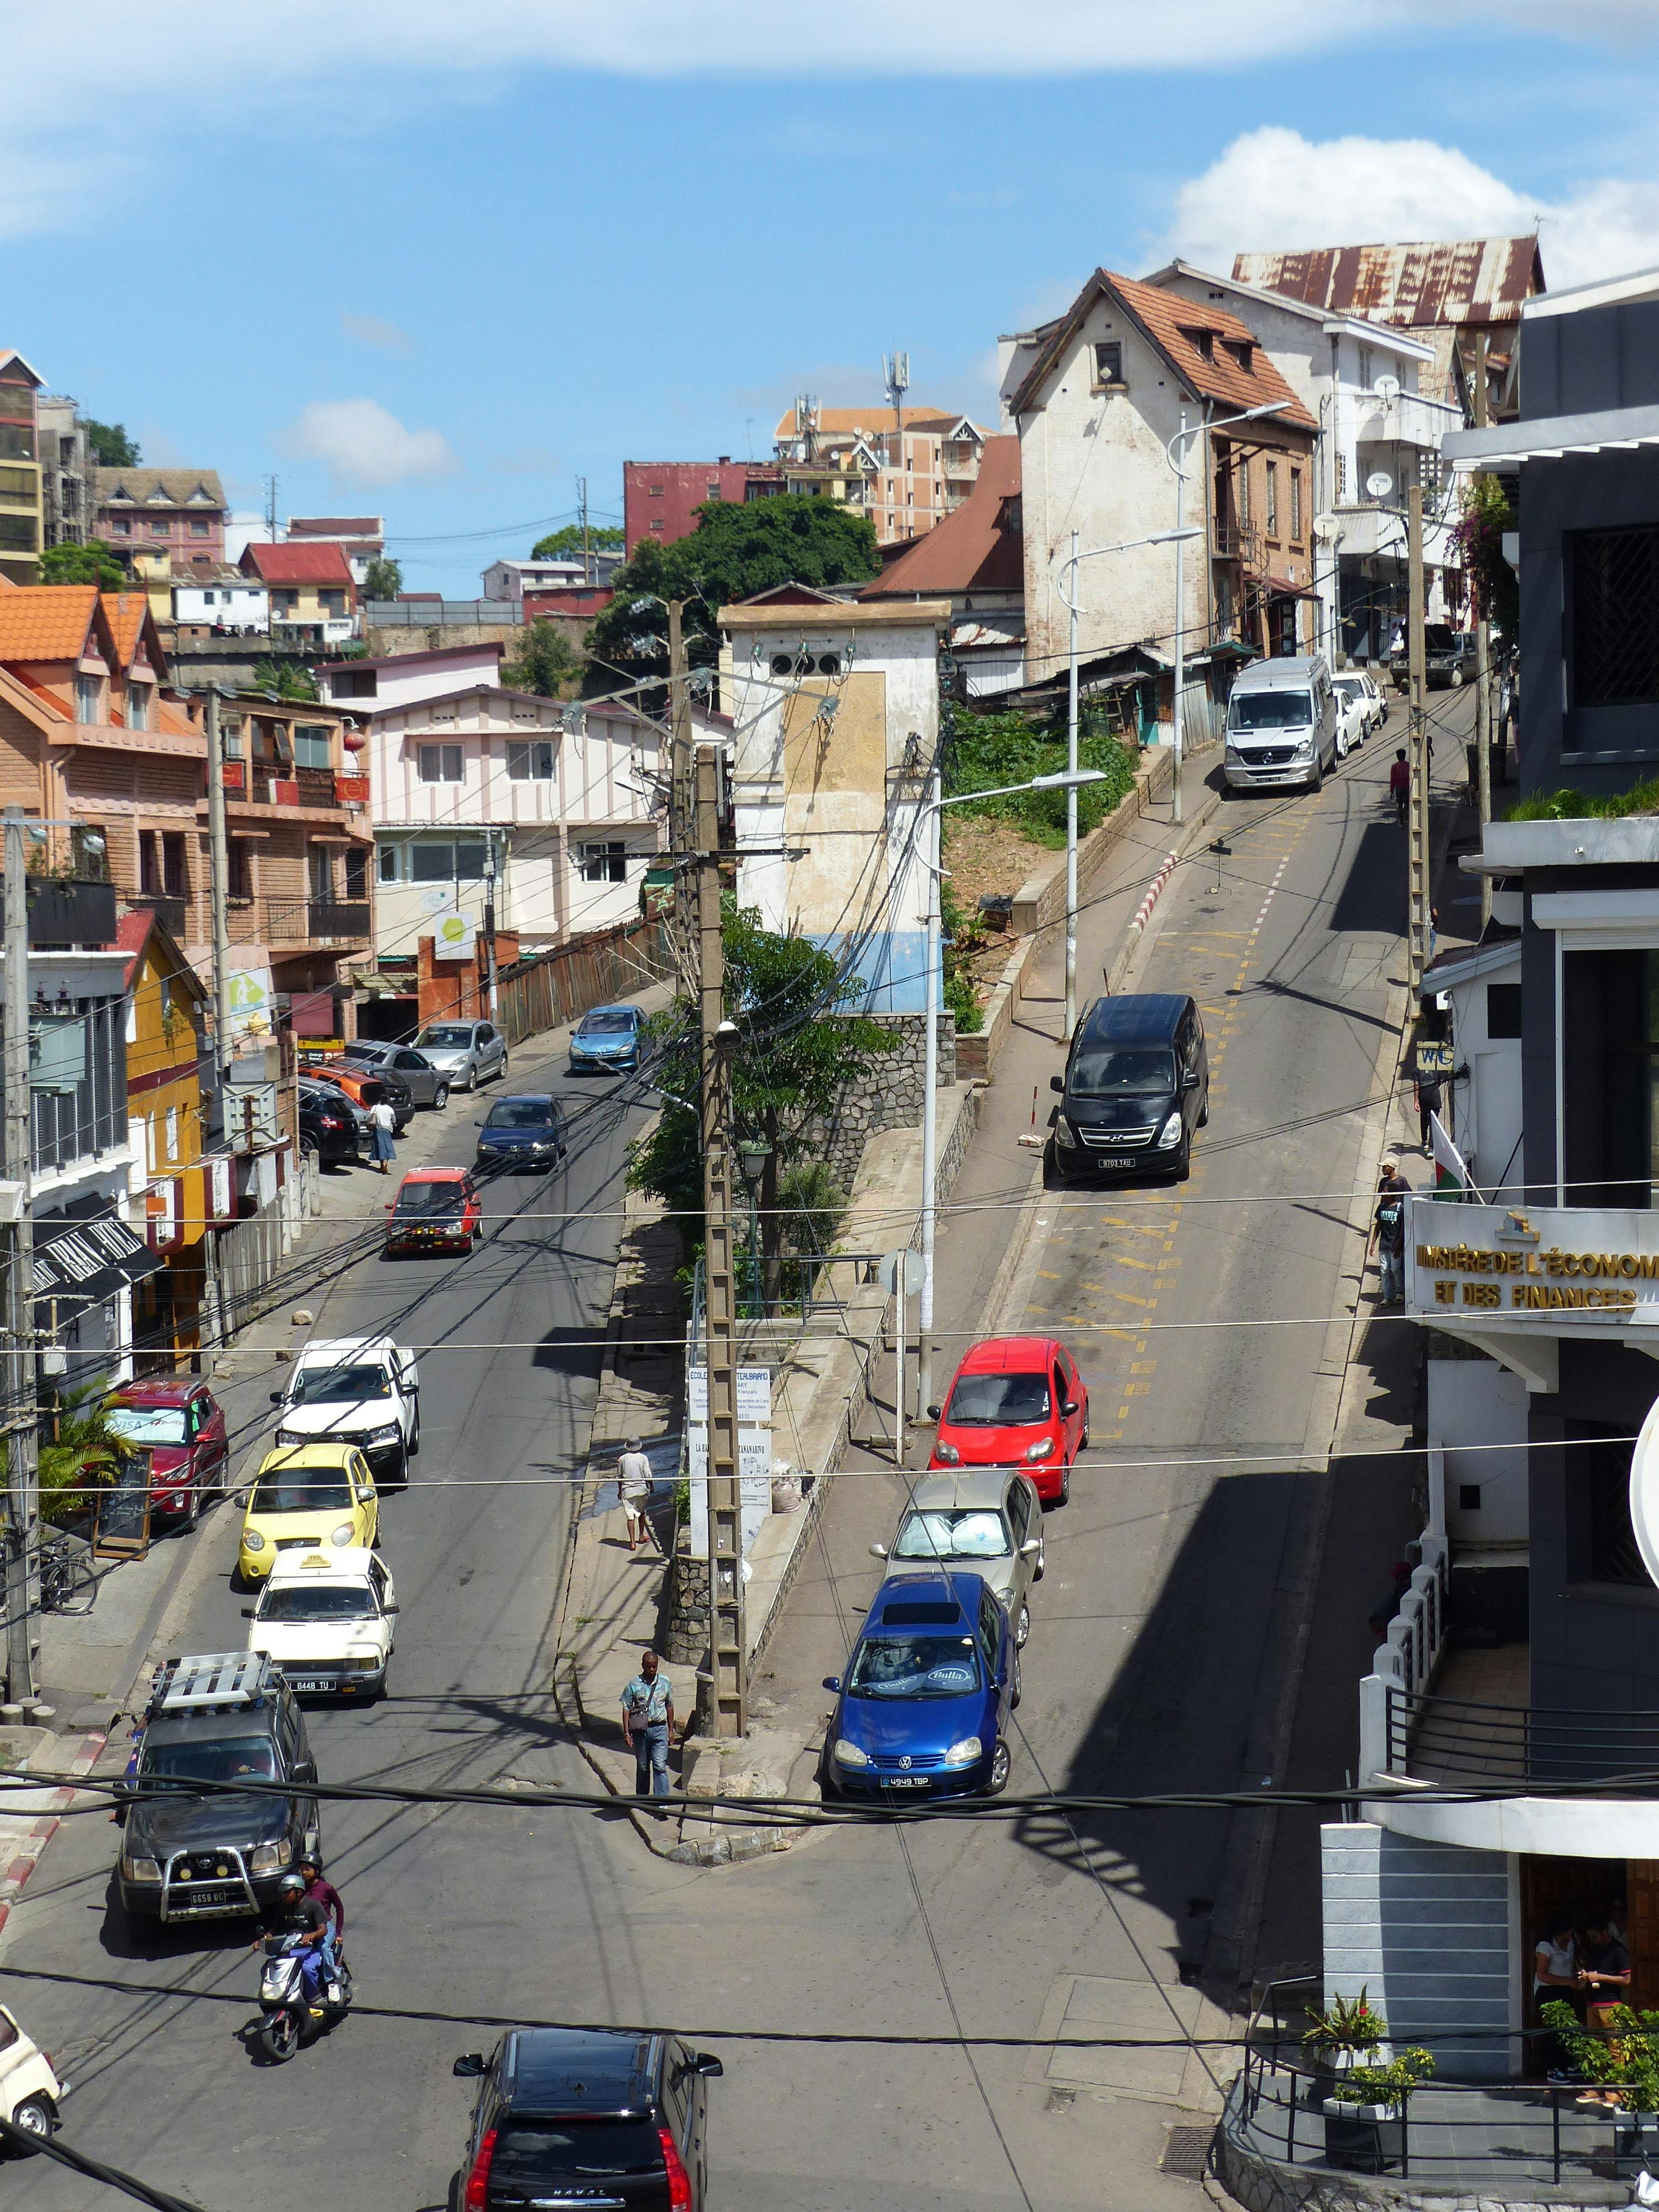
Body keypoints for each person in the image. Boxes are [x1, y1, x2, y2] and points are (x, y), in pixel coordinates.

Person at [257, 1871, 330, 2016]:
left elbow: (324, 1929)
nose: (284, 1896)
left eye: (287, 1893)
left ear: (299, 1892)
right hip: (289, 1950)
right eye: (283, 1893)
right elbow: (275, 1929)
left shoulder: (313, 1906)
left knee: (308, 1969)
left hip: (310, 1950)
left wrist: (312, 1935)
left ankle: (314, 1999)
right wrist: (264, 1939)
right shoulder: (282, 1908)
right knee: (267, 1970)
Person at [620, 1647, 676, 1804]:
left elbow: (670, 1705)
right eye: (648, 1666)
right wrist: (626, 1732)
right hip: (641, 1732)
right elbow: (626, 1707)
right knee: (643, 1766)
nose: (652, 1669)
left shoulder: (665, 1682)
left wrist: (671, 1730)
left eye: (655, 1666)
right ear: (643, 1666)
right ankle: (642, 1799)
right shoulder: (634, 1684)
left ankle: (663, 1803)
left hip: (659, 1729)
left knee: (660, 1766)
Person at [1368, 1159, 1412, 1307]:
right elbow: (1378, 1225)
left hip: (1396, 1241)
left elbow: (1409, 1197)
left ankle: (1400, 1293)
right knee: (1385, 1271)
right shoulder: (1382, 1205)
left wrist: (1399, 1245)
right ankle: (1387, 1297)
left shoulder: (1401, 1183)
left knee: (1395, 1269)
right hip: (1384, 1243)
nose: (1382, 1170)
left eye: (1385, 1167)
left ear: (1391, 1168)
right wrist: (1373, 1244)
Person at [298, 1853, 345, 1990]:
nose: (304, 1872)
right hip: (307, 1926)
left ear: (317, 1871)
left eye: (307, 1869)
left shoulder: (327, 1888)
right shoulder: (300, 1889)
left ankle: (332, 1983)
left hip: (326, 1926)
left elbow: (340, 1908)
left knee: (324, 1948)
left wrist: (339, 1932)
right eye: (302, 1869)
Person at [618, 1437, 655, 1554]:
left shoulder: (622, 1459)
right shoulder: (643, 1458)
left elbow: (619, 1477)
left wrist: (620, 1491)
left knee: (630, 1516)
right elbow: (648, 1474)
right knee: (641, 1512)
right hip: (641, 1488)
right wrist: (651, 1486)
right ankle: (641, 1536)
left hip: (627, 1490)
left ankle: (633, 1543)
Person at [1415, 1066, 1444, 1152]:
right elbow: (1440, 1081)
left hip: (1423, 1097)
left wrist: (1416, 1100)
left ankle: (1424, 1141)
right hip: (1435, 1097)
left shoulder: (1416, 1070)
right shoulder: (1436, 1067)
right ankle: (1431, 1147)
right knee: (1434, 1122)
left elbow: (1416, 1085)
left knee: (1424, 1118)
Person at [369, 1095, 397, 1176]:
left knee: (380, 1147)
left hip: (378, 1129)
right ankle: (385, 1164)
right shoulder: (390, 1109)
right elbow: (394, 1121)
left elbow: (370, 1117)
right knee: (387, 1146)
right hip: (387, 1130)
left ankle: (382, 1165)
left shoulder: (375, 1108)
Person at [1389, 747, 1410, 825]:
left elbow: (1393, 780)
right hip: (1407, 787)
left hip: (1398, 788)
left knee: (1400, 805)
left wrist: (1392, 792)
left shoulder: (1394, 766)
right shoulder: (1408, 765)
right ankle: (1406, 815)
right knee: (1407, 803)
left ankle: (1401, 822)